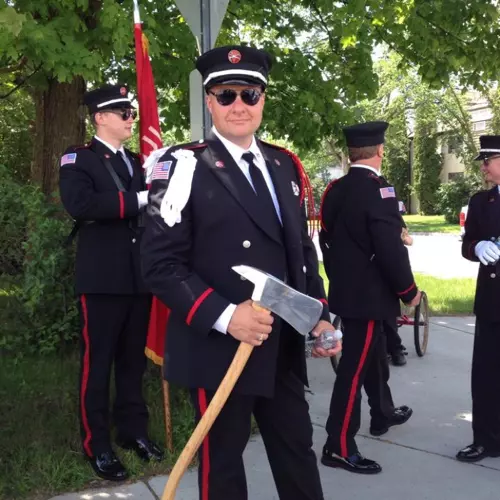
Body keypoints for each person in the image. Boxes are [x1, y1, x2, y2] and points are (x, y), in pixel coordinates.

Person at [140, 45, 341, 500]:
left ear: (263, 99)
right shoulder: (182, 166)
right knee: (223, 471)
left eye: (249, 94)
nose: (238, 105)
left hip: (282, 345)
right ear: (209, 100)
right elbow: (159, 264)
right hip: (219, 350)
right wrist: (227, 316)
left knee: (298, 457)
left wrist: (319, 313)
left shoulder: (282, 164)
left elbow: (301, 254)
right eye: (225, 94)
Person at [59, 84, 163, 481]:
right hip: (102, 279)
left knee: (132, 364)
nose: (131, 119)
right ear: (100, 117)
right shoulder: (78, 160)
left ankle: (133, 431)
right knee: (97, 365)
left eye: (132, 112)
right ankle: (97, 444)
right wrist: (139, 200)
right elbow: (80, 205)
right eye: (123, 113)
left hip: (138, 277)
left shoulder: (138, 161)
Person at [319, 121, 420, 474]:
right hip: (371, 297)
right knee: (353, 369)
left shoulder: (334, 190)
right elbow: (390, 248)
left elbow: (325, 241)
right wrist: (408, 291)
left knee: (374, 354)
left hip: (348, 292)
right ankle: (338, 444)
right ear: (380, 151)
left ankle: (382, 412)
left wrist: (341, 279)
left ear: (351, 153)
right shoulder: (380, 190)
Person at [457, 135, 500, 463]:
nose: (483, 166)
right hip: (492, 302)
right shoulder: (480, 201)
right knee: (485, 375)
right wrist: (477, 248)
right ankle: (484, 439)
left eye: (489, 159)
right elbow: (467, 243)